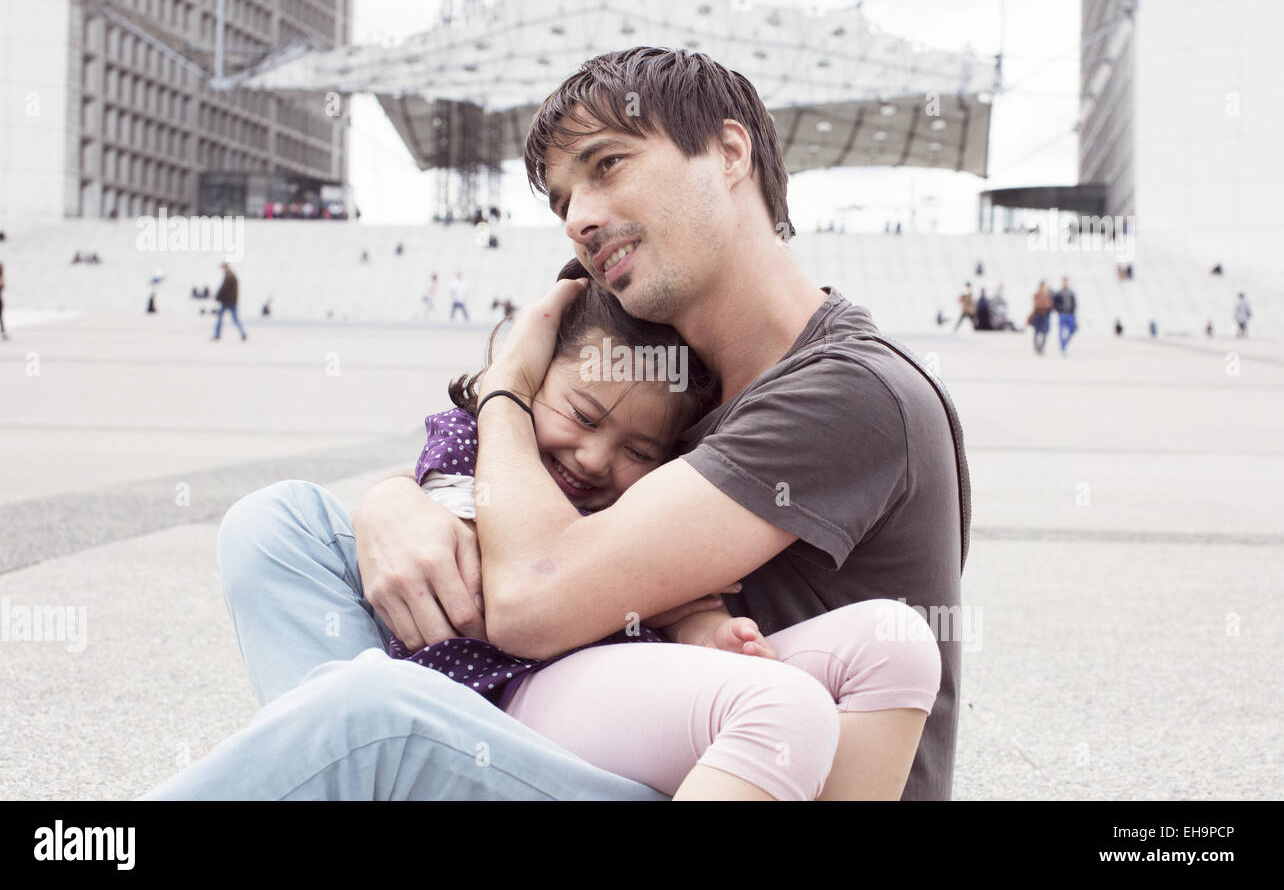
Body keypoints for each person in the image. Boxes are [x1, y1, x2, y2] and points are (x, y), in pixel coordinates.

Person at [142, 46, 968, 802]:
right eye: (565, 199)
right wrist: (394, 498)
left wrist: (505, 382)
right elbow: (515, 493)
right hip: (633, 718)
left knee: (374, 713)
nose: (577, 215)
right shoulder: (680, 373)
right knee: (281, 522)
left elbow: (535, 599)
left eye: (607, 166)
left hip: (729, 764)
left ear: (729, 152)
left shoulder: (846, 390)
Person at [380, 258, 940, 799]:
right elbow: (486, 575)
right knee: (784, 708)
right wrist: (492, 405)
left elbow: (689, 606)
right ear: (535, 376)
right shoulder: (476, 442)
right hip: (502, 683)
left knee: (899, 641)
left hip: (617, 682)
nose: (596, 458)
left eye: (639, 449)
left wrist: (709, 633)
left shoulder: (645, 499)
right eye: (581, 415)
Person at [213, 263, 247, 342]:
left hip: (227, 301)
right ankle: (243, 333)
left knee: (220, 318)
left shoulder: (229, 276)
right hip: (231, 301)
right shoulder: (232, 276)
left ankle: (217, 335)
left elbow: (224, 288)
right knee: (234, 319)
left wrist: (218, 296)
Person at [1053, 277, 1077, 354]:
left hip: (1070, 314)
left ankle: (1064, 343)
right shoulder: (1059, 293)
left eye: (1066, 282)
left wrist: (1073, 312)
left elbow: (1074, 303)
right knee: (1061, 331)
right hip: (1062, 314)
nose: (1065, 283)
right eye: (1064, 282)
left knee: (1072, 330)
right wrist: (1059, 311)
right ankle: (1062, 347)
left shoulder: (1071, 292)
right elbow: (1055, 303)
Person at [1028, 281, 1053, 355]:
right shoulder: (1036, 294)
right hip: (1037, 314)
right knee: (1036, 332)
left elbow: (1049, 305)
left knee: (1045, 332)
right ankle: (1037, 348)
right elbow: (1038, 304)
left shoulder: (1048, 295)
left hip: (1045, 315)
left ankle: (1041, 348)